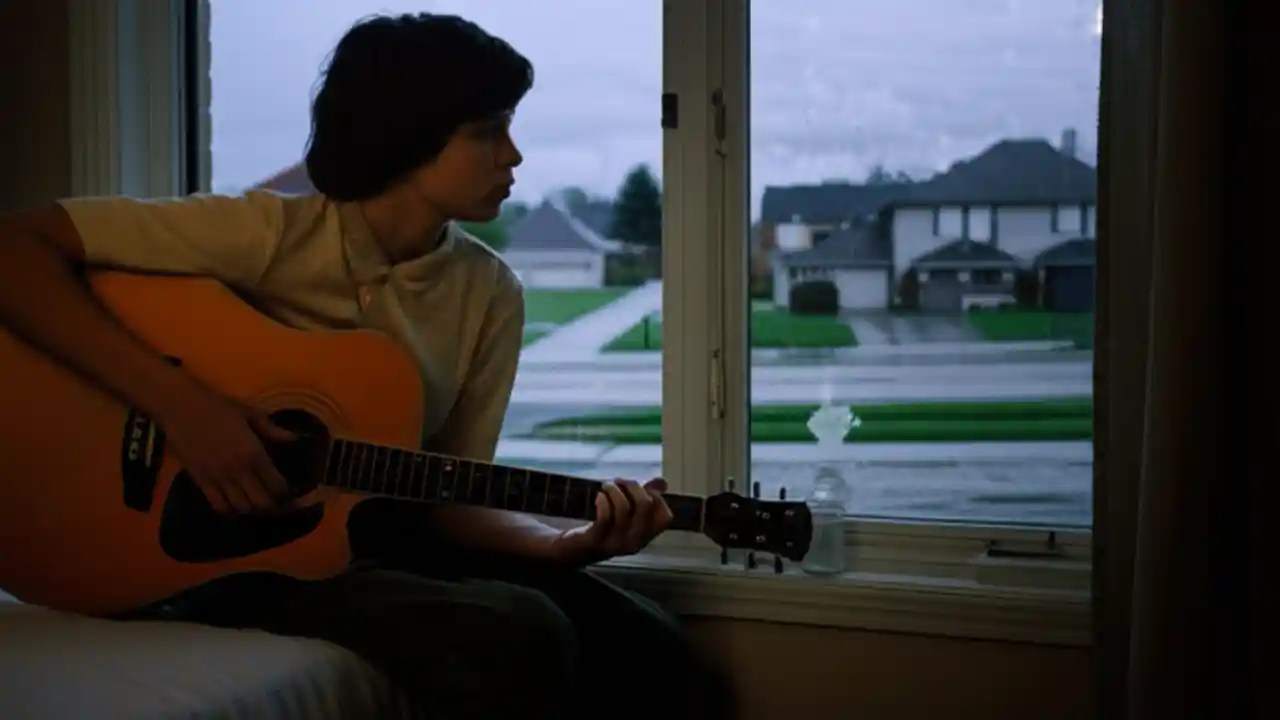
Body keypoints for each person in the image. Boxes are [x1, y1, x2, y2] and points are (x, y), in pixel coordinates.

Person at [0, 12, 734, 720]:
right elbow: (14, 249)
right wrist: (185, 408)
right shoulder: (267, 233)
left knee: (653, 647)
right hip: (220, 554)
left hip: (372, 542)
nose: (514, 155)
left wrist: (562, 544)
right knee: (515, 633)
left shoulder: (488, 294)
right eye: (489, 130)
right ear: (407, 133)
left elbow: (450, 495)